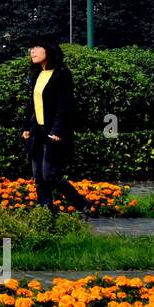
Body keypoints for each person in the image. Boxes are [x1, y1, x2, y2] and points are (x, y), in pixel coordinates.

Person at [22, 38, 91, 215]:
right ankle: (47, 212)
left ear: (49, 50)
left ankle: (82, 203)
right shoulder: (37, 74)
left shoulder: (61, 74)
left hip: (53, 133)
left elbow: (65, 105)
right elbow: (32, 104)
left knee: (50, 175)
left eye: (37, 47)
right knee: (38, 176)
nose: (33, 51)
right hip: (37, 131)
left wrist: (57, 131)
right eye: (32, 47)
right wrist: (27, 127)